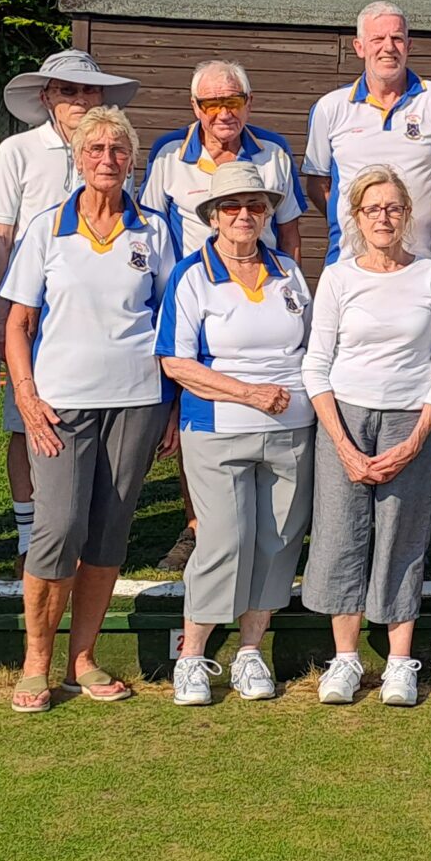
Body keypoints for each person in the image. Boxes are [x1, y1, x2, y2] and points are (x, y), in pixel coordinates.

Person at [0, 107, 174, 713]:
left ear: (132, 159)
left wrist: (172, 407)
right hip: (61, 404)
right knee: (59, 527)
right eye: (95, 148)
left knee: (107, 531)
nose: (107, 159)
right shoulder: (47, 228)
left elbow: (167, 325)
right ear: (77, 157)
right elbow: (18, 324)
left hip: (137, 401)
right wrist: (25, 394)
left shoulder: (153, 229)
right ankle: (35, 661)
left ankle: (82, 658)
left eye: (118, 150)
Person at [300, 165, 431, 707]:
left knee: (401, 534)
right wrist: (342, 444)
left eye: (394, 207)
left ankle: (398, 664)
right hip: (344, 416)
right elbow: (316, 364)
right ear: (356, 216)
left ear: (407, 214)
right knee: (340, 532)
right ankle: (344, 661)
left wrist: (418, 436)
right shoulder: (340, 278)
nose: (384, 217)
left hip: (408, 419)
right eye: (373, 209)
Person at [158, 163, 316, 706]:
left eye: (255, 206)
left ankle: (250, 652)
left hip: (293, 428)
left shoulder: (289, 272)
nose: (244, 215)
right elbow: (175, 362)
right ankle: (192, 658)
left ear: (268, 213)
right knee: (223, 540)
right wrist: (248, 394)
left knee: (276, 542)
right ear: (213, 216)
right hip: (219, 427)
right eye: (232, 207)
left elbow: (311, 349)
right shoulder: (191, 275)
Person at [0, 48, 140, 565]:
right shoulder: (17, 149)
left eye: (88, 90)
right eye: (68, 90)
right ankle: (31, 529)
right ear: (47, 96)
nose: (78, 99)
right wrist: (0, 315)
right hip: (31, 310)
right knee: (23, 422)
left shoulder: (114, 149)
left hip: (95, 317)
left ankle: (79, 528)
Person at [300, 0, 431, 265]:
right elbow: (318, 184)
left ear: (409, 46)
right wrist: (349, 215)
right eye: (377, 39)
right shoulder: (330, 107)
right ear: (359, 47)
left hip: (422, 262)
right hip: (348, 262)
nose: (388, 47)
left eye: (398, 38)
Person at [140, 59, 307, 260]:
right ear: (195, 106)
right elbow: (150, 229)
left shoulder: (274, 151)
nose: (224, 114)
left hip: (262, 281)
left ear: (249, 103)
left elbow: (289, 233)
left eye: (233, 102)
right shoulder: (168, 153)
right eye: (212, 104)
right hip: (191, 283)